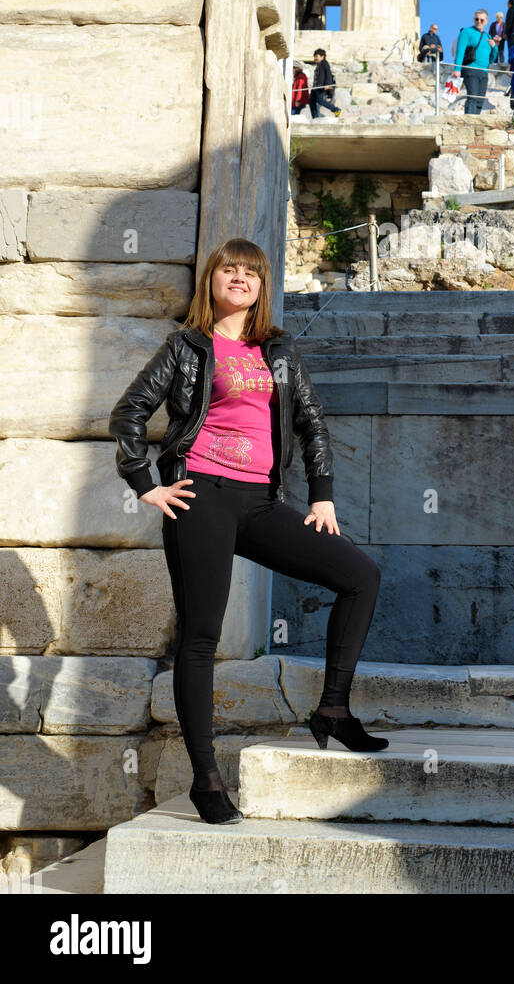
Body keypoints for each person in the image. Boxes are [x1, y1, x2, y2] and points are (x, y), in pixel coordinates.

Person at [107, 238, 387, 826]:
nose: (239, 278)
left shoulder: (277, 350)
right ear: (212, 281)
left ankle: (333, 708)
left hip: (261, 502)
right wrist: (145, 483)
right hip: (200, 498)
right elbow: (129, 412)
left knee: (360, 575)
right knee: (202, 636)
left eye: (251, 272)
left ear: (262, 286)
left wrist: (323, 494)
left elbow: (310, 420)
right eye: (228, 269)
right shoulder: (187, 346)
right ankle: (206, 780)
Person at [454, 8, 497, 115]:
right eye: (476, 19)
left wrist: (494, 47)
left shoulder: (488, 37)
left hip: (484, 72)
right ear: (473, 20)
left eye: (482, 20)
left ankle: (475, 122)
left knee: (480, 100)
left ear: (486, 21)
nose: (479, 22)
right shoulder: (466, 31)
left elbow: (491, 59)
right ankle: (468, 122)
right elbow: (460, 50)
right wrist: (457, 69)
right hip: (470, 69)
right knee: (472, 97)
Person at [310, 48, 341, 119]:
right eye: (314, 56)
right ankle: (315, 117)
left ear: (322, 56)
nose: (315, 58)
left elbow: (329, 74)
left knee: (320, 100)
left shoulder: (324, 63)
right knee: (312, 102)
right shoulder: (319, 65)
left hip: (321, 87)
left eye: (316, 56)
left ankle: (336, 109)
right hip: (315, 87)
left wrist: (327, 84)